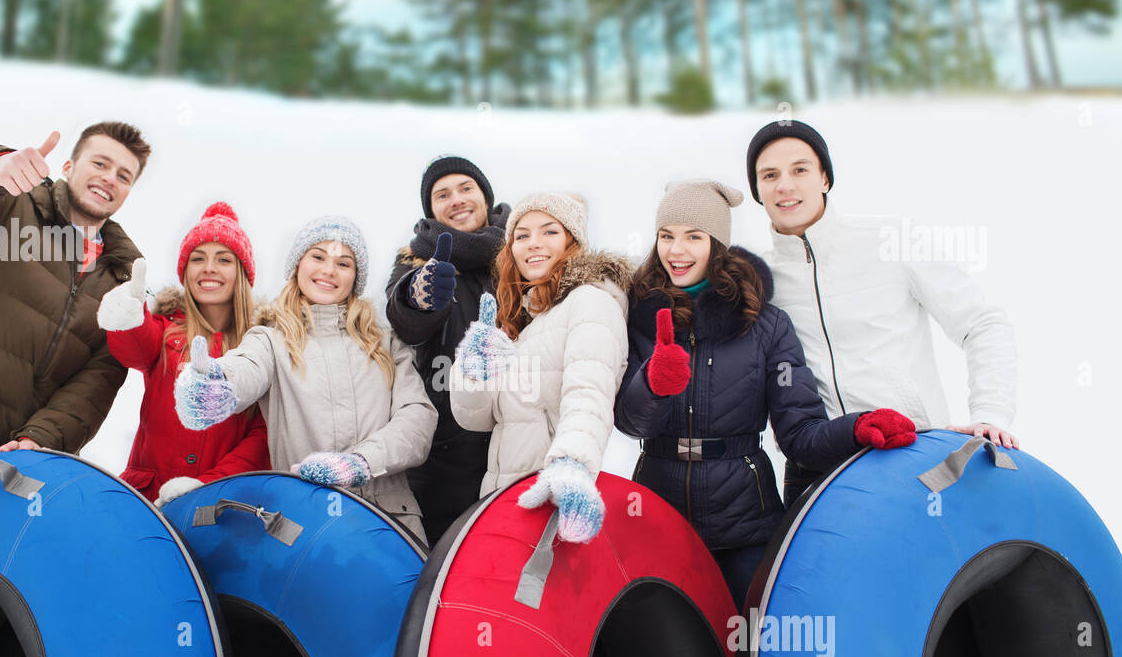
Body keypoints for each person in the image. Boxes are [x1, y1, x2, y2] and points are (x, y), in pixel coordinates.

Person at [614, 180, 916, 609]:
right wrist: (653, 385)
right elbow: (631, 424)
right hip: (656, 517)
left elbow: (800, 433)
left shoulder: (765, 325)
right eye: (667, 236)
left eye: (693, 237)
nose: (676, 251)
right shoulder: (640, 315)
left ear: (717, 244)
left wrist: (856, 429)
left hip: (746, 526)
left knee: (751, 648)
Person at [745, 120, 1018, 503]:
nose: (785, 185)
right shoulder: (760, 281)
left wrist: (990, 412)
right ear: (758, 190)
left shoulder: (891, 241)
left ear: (825, 178)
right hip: (820, 468)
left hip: (913, 451)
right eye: (769, 175)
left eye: (800, 169)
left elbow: (982, 323)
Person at [0, 122, 151, 476]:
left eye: (124, 176)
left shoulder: (120, 279)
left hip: (29, 459)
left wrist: (42, 437)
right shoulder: (5, 207)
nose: (110, 178)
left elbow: (97, 379)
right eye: (100, 163)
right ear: (68, 167)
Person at [174, 216, 437, 543]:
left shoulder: (385, 342)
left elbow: (418, 418)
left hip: (390, 521)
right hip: (304, 525)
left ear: (355, 278)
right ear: (297, 265)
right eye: (317, 257)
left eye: (343, 263)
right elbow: (245, 367)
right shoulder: (269, 340)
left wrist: (361, 463)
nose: (328, 270)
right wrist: (219, 384)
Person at [449, 192, 633, 544]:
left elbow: (589, 391)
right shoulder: (526, 321)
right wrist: (474, 371)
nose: (534, 244)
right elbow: (476, 420)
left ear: (572, 243)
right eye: (522, 235)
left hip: (554, 500)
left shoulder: (590, 301)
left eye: (549, 231)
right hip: (505, 501)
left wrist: (572, 464)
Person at [95, 202, 271, 505]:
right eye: (197, 258)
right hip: (146, 500)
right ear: (185, 270)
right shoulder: (166, 330)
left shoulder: (260, 348)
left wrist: (208, 486)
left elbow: (262, 436)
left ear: (242, 272)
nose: (208, 268)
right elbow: (135, 347)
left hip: (220, 503)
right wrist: (127, 320)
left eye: (224, 259)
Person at [385, 156, 512, 546]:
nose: (456, 199)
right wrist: (420, 294)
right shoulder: (417, 260)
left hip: (519, 444)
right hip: (445, 459)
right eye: (442, 194)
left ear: (485, 197)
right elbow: (403, 315)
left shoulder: (520, 254)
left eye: (465, 188)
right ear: (432, 209)